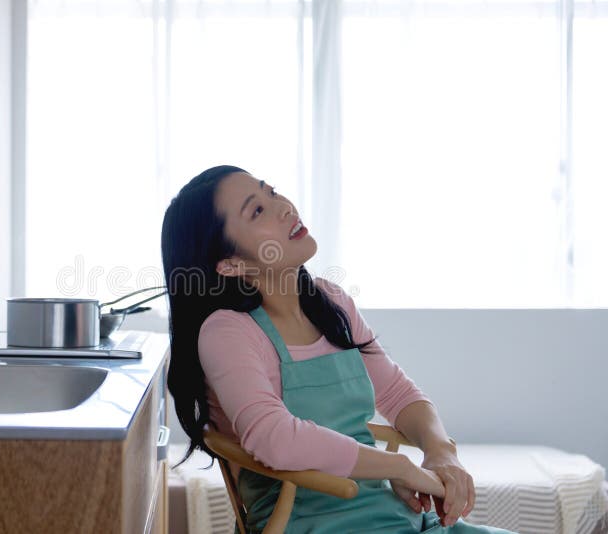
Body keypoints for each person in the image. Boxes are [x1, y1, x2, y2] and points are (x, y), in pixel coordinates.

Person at [161, 165, 516, 534]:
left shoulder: (331, 302)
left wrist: (442, 452)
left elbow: (397, 393)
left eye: (272, 192)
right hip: (312, 525)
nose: (284, 206)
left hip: (394, 517)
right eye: (257, 210)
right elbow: (273, 437)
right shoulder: (227, 331)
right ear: (231, 264)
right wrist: (400, 467)